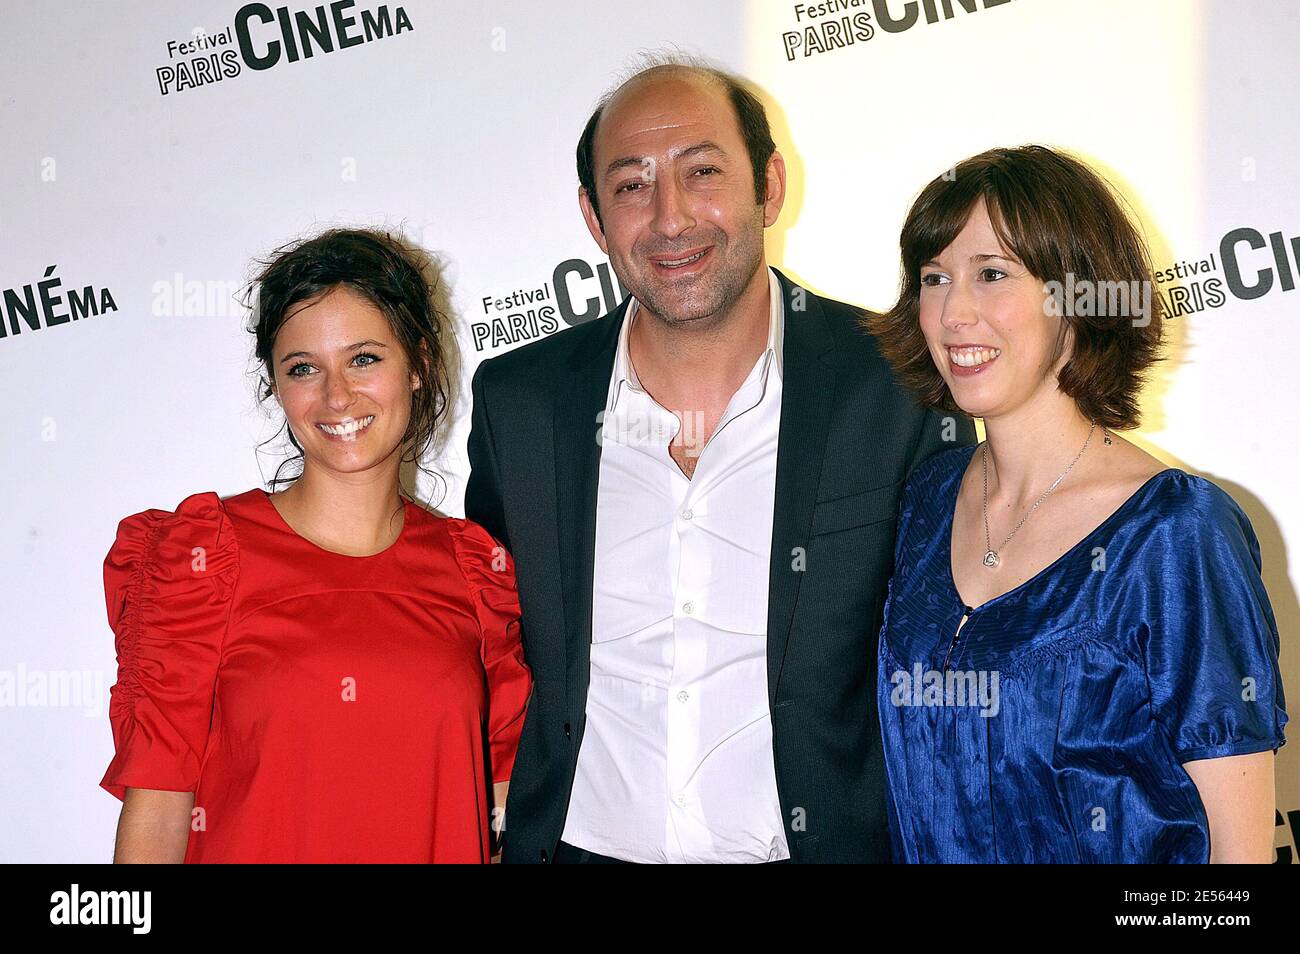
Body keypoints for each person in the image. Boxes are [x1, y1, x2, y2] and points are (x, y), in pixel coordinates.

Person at [465, 56, 974, 863]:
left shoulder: (900, 386)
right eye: (631, 185)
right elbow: (486, 632)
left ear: (769, 186)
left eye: (702, 171)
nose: (670, 218)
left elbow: (953, 651)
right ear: (594, 220)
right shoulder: (520, 403)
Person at [870, 145, 1288, 863]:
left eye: (992, 275)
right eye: (934, 278)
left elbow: (1240, 862)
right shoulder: (927, 501)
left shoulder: (1176, 532)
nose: (953, 312)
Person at [100, 228, 531, 863]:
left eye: (364, 359)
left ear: (419, 365)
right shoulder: (202, 562)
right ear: (275, 385)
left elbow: (500, 814)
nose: (336, 396)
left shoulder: (476, 573)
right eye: (304, 368)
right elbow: (159, 815)